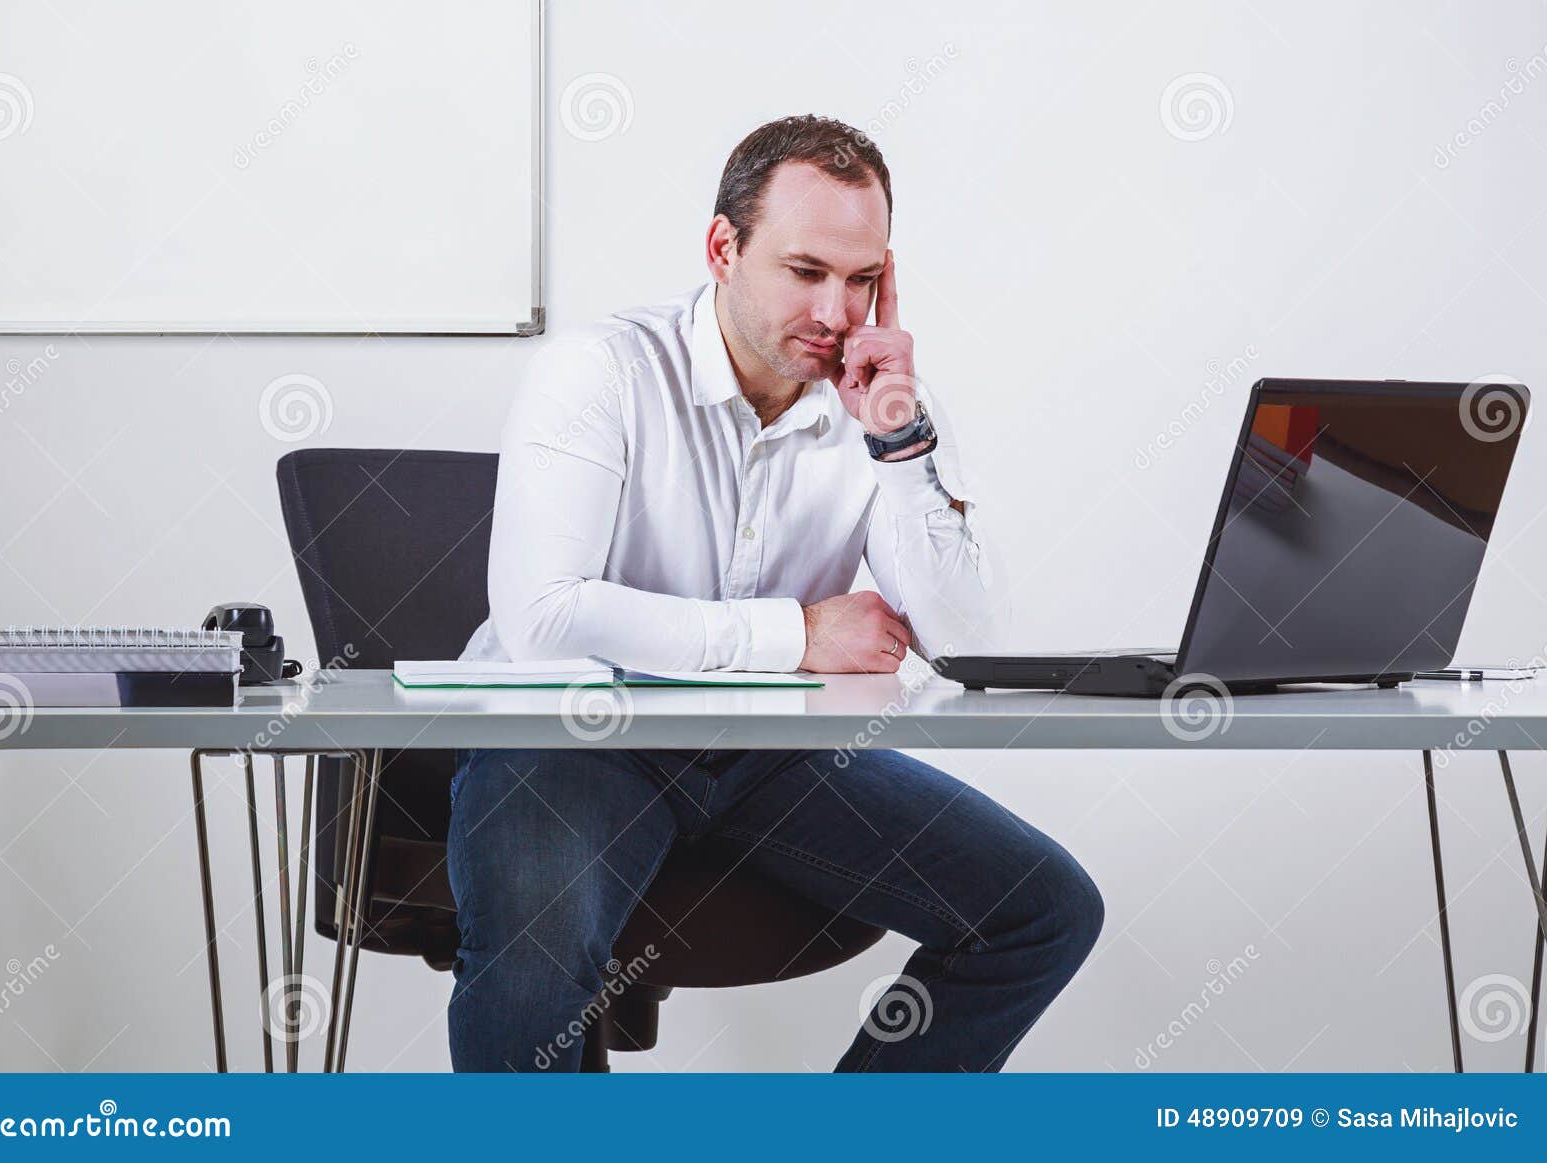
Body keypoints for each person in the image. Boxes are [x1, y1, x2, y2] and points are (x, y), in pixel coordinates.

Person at [447, 113, 1103, 1071]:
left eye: (863, 277)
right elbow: (546, 619)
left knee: (1041, 911)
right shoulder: (600, 371)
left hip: (765, 750)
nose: (838, 313)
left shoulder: (880, 402)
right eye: (806, 272)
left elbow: (965, 639)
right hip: (575, 728)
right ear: (723, 247)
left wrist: (896, 441)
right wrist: (795, 633)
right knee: (533, 967)